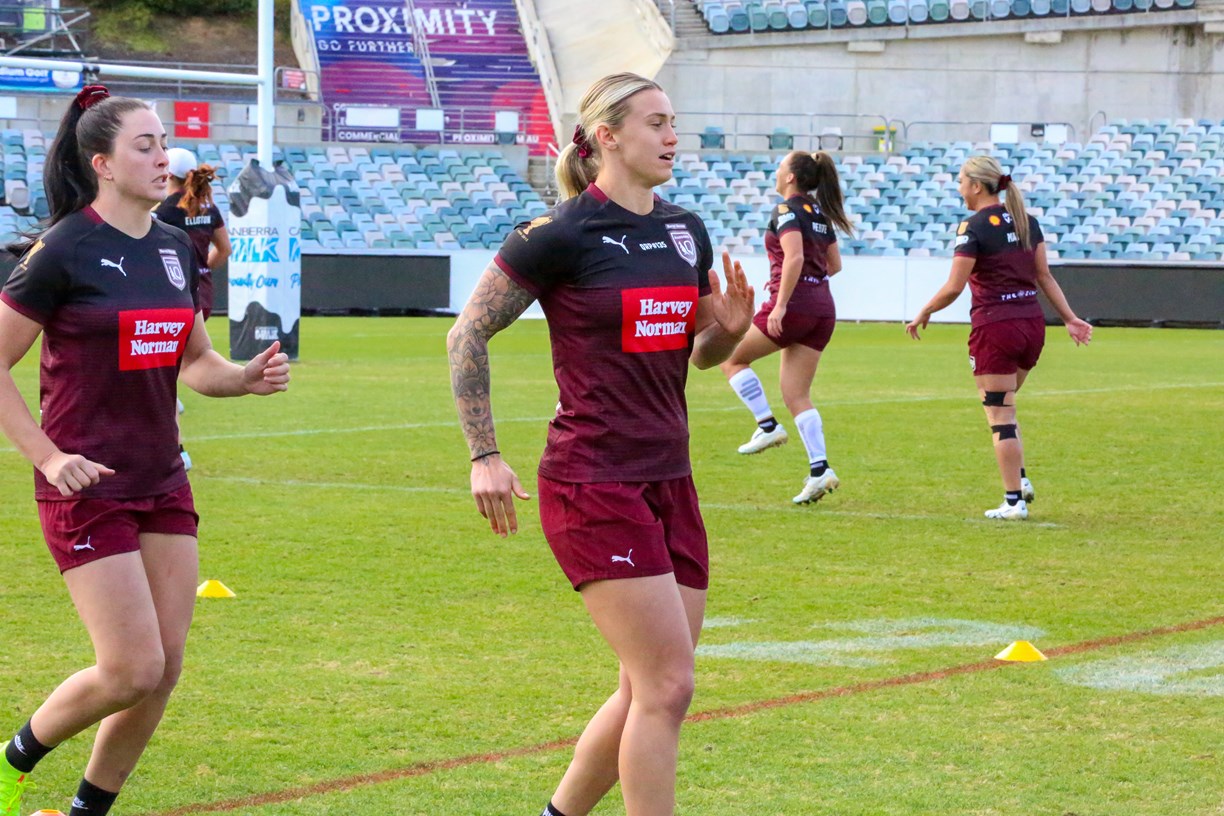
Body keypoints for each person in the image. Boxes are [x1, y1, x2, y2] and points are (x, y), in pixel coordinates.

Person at [446, 72, 754, 816]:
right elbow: (466, 335)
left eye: (673, 122)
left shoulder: (685, 230)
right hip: (593, 482)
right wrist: (485, 455)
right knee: (667, 686)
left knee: (646, 686)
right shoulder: (558, 235)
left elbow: (698, 354)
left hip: (670, 479)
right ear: (608, 137)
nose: (673, 136)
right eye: (656, 123)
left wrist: (730, 330)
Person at [0, 85, 289, 816]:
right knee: (130, 667)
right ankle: (10, 763)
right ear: (102, 163)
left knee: (163, 671)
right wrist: (49, 458)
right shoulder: (63, 249)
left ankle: (87, 811)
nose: (165, 158)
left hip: (162, 480)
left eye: (163, 143)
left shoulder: (174, 247)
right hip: (85, 486)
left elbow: (196, 361)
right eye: (145, 145)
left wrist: (244, 378)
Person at [905, 155, 1091, 520]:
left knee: (1000, 414)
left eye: (961, 181)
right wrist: (1069, 318)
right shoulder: (1026, 221)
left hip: (996, 327)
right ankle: (1020, 480)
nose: (959, 188)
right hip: (1031, 325)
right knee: (1006, 406)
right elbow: (1044, 276)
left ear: (976, 186)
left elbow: (954, 286)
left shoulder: (972, 226)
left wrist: (925, 310)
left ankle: (1013, 501)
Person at [718, 151, 854, 505]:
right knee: (797, 394)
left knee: (730, 357)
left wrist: (781, 302)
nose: (776, 172)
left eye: (780, 167)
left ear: (791, 177)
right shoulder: (820, 214)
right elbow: (834, 265)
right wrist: (803, 282)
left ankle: (767, 426)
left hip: (794, 306)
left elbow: (794, 256)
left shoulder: (785, 210)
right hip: (822, 308)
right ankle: (820, 469)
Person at [154, 147, 232, 471]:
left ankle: (178, 449)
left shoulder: (164, 210)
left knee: (162, 366)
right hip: (201, 294)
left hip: (171, 296)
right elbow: (224, 249)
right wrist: (201, 272)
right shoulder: (208, 205)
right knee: (175, 360)